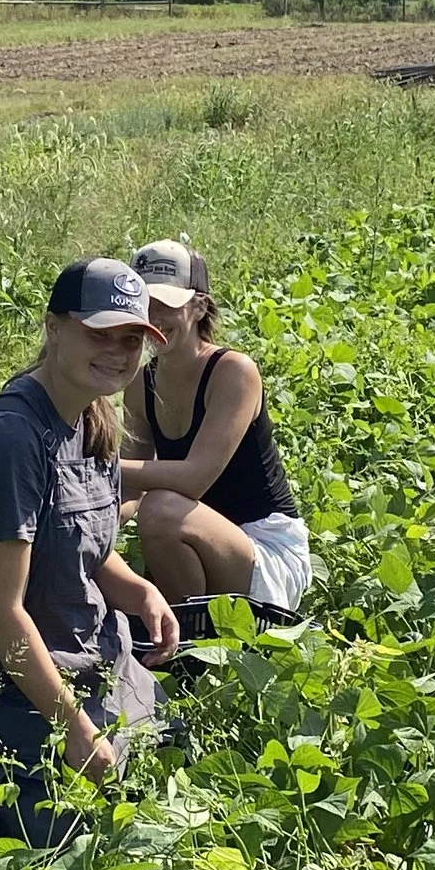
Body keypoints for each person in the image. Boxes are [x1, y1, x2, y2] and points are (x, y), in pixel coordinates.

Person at [0, 258, 182, 847]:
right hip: (9, 686)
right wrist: (74, 731)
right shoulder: (11, 440)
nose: (118, 352)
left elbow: (85, 550)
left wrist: (140, 590)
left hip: (95, 655)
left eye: (132, 339)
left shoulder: (94, 414)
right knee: (65, 839)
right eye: (99, 333)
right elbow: (3, 611)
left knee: (166, 782)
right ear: (52, 328)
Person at [121, 239, 311, 616]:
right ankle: (191, 628)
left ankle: (189, 649)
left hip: (265, 549)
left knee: (159, 510)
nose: (152, 318)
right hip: (203, 538)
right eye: (143, 304)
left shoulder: (233, 372)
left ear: (199, 306)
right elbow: (128, 489)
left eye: (165, 304)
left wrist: (95, 464)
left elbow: (195, 479)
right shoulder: (140, 385)